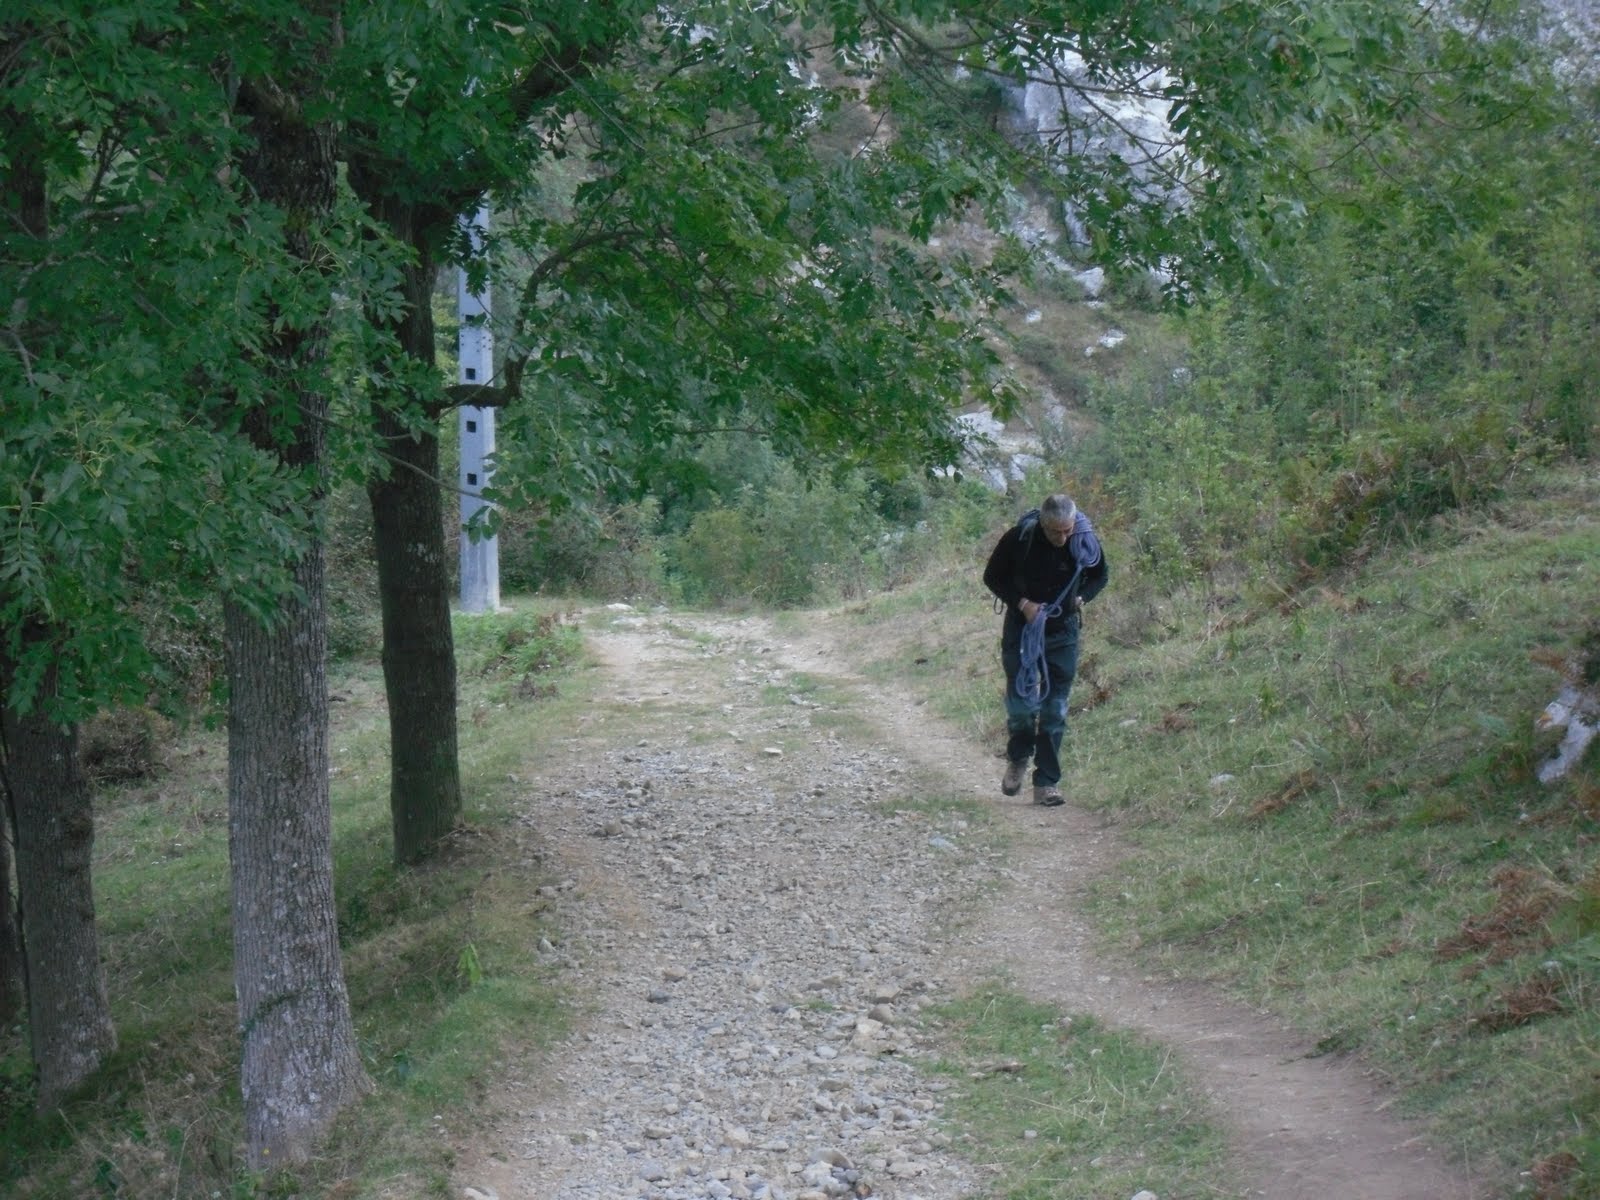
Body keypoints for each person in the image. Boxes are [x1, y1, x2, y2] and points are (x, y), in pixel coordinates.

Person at [981, 493, 1108, 806]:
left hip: (1063, 632)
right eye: (1055, 532)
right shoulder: (1019, 538)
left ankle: (1047, 783)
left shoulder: (1084, 539)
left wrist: (1081, 598)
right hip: (1021, 629)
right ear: (1042, 523)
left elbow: (1100, 575)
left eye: (1067, 530)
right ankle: (1018, 757)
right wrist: (1023, 604)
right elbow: (992, 576)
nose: (1062, 538)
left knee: (1055, 709)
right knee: (1021, 705)